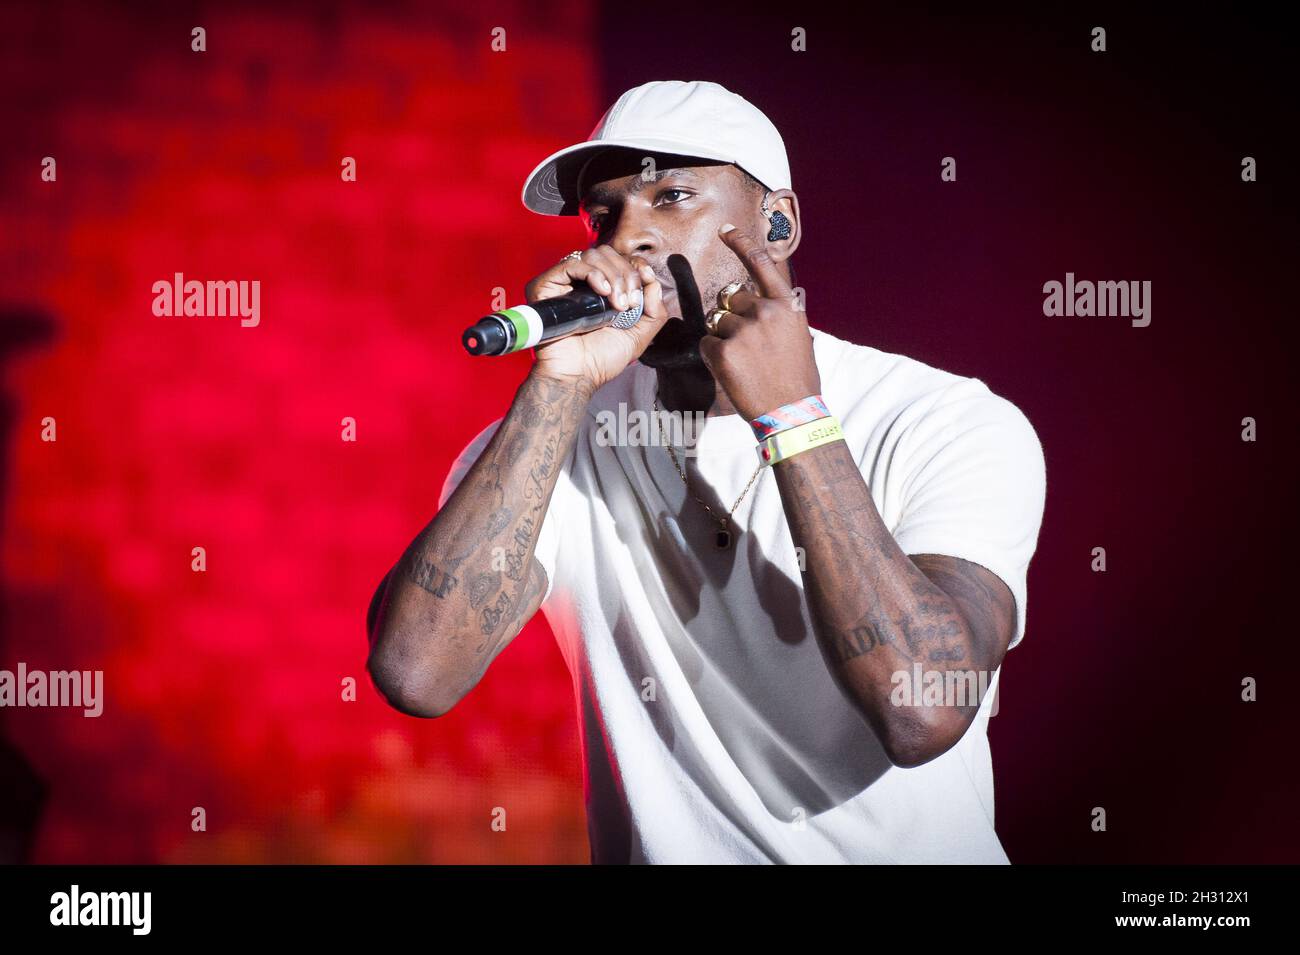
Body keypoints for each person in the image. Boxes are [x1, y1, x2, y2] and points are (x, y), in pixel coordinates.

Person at [365, 80, 1047, 864]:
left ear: (778, 222)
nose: (631, 239)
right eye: (603, 215)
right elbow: (417, 672)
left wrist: (793, 419)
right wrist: (557, 384)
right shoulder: (550, 438)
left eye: (672, 195)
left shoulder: (941, 418)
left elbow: (921, 712)